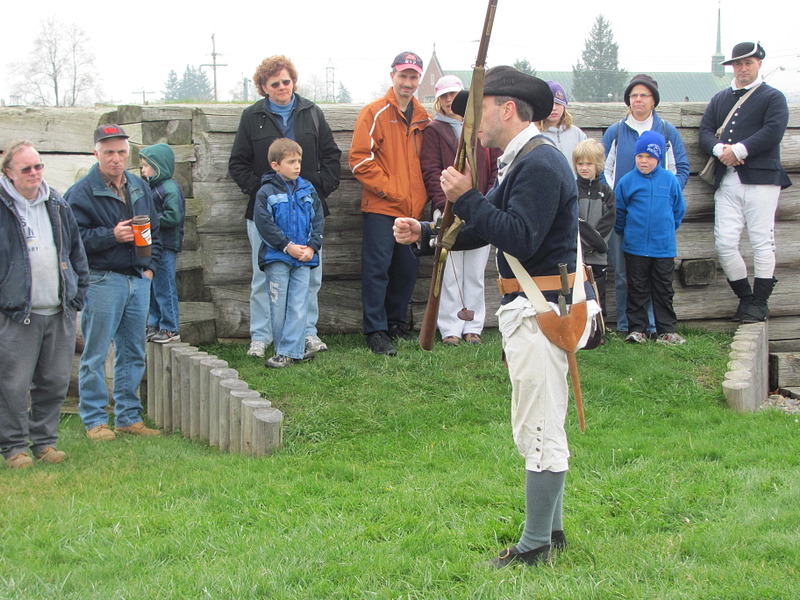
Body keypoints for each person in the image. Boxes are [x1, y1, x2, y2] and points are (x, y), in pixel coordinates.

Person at [394, 66, 599, 567]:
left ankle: (534, 548)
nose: (471, 122)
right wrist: (426, 231)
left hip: (540, 310)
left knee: (539, 428)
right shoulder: (524, 160)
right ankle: (550, 533)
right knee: (543, 422)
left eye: (479, 109)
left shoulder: (540, 164)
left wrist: (463, 197)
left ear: (507, 109)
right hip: (536, 309)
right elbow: (488, 225)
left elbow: (519, 236)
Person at [229, 55, 341, 358]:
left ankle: (307, 332)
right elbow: (237, 163)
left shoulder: (312, 113)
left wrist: (318, 190)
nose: (282, 87)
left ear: (294, 80)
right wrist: (263, 191)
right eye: (274, 83)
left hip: (306, 211)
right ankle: (262, 336)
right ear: (264, 87)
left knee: (309, 275)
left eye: (286, 81)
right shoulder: (253, 117)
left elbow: (332, 156)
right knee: (264, 274)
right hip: (265, 214)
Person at [65, 124, 162, 441]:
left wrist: (151, 268)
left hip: (138, 279)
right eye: (109, 152)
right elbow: (71, 239)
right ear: (96, 153)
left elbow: (156, 230)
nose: (116, 158)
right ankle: (94, 420)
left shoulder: (138, 185)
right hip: (102, 279)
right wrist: (112, 236)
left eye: (122, 152)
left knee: (133, 351)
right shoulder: (80, 193)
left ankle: (127, 417)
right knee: (95, 354)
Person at [1, 141, 89, 468]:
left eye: (38, 166)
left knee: (53, 383)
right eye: (26, 169)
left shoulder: (57, 203)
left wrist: (77, 295)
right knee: (13, 385)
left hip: (59, 312)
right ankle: (13, 448)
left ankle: (45, 443)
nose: (35, 173)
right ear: (9, 174)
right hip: (16, 315)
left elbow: (76, 253)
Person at [699, 42, 791, 322]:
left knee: (762, 241)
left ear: (759, 64)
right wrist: (720, 151)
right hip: (728, 181)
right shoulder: (719, 99)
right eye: (738, 64)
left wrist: (739, 150)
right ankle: (747, 300)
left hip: (762, 180)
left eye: (747, 63)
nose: (742, 69)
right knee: (725, 243)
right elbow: (705, 131)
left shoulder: (773, 97)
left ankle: (760, 301)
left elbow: (773, 131)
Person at [350, 51, 431, 356]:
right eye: (403, 76)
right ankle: (375, 330)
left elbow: (429, 163)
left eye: (413, 77)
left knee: (406, 270)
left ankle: (396, 324)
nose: (407, 82)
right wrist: (391, 190)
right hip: (382, 208)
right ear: (392, 76)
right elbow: (360, 160)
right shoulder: (375, 113)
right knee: (377, 270)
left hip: (413, 211)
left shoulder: (425, 118)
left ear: (418, 79)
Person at [602, 74, 689, 336]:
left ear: (654, 101)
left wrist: (663, 199)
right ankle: (630, 326)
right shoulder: (616, 131)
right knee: (625, 274)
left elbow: (680, 169)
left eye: (644, 95)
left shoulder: (666, 131)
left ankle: (657, 327)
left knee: (658, 278)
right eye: (633, 95)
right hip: (624, 218)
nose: (638, 99)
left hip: (657, 222)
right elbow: (604, 169)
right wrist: (616, 201)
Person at [419, 74, 499, 346]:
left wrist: (485, 201)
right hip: (449, 209)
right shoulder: (434, 131)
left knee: (475, 273)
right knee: (450, 272)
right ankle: (450, 328)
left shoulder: (480, 128)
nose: (450, 100)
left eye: (454, 94)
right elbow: (431, 171)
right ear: (438, 101)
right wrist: (446, 204)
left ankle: (473, 326)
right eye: (444, 96)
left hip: (480, 207)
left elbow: (494, 169)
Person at [254, 139, 323, 368]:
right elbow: (264, 225)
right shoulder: (265, 192)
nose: (297, 166)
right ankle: (285, 350)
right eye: (291, 162)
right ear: (275, 165)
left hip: (304, 258)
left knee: (299, 303)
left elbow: (317, 220)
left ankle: (292, 350)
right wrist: (287, 246)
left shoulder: (308, 189)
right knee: (279, 304)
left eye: (299, 161)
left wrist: (311, 247)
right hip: (277, 258)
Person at [614, 131, 686, 345]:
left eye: (650, 156)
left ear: (659, 158)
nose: (644, 161)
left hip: (663, 248)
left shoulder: (670, 181)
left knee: (664, 289)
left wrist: (665, 232)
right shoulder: (627, 182)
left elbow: (678, 211)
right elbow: (619, 211)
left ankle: (666, 330)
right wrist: (625, 232)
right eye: (640, 156)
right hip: (635, 247)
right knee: (636, 287)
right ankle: (637, 330)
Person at [140, 143, 186, 344]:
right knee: (150, 285)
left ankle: (170, 327)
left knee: (164, 286)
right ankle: (154, 323)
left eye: (146, 166)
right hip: (151, 245)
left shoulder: (168, 188)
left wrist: (150, 220)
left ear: (159, 167)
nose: (143, 170)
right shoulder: (152, 188)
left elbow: (174, 216)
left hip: (166, 245)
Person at [573, 139, 615, 317]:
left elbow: (608, 222)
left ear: (597, 165)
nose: (584, 168)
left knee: (598, 293)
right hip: (576, 255)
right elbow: (574, 221)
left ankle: (598, 330)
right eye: (580, 163)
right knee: (577, 294)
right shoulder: (571, 190)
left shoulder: (606, 192)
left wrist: (595, 243)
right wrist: (584, 244)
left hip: (598, 257)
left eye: (589, 163)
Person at [536, 80, 587, 169]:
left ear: (564, 106)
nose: (554, 108)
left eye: (558, 103)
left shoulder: (577, 134)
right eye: (550, 104)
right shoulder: (535, 134)